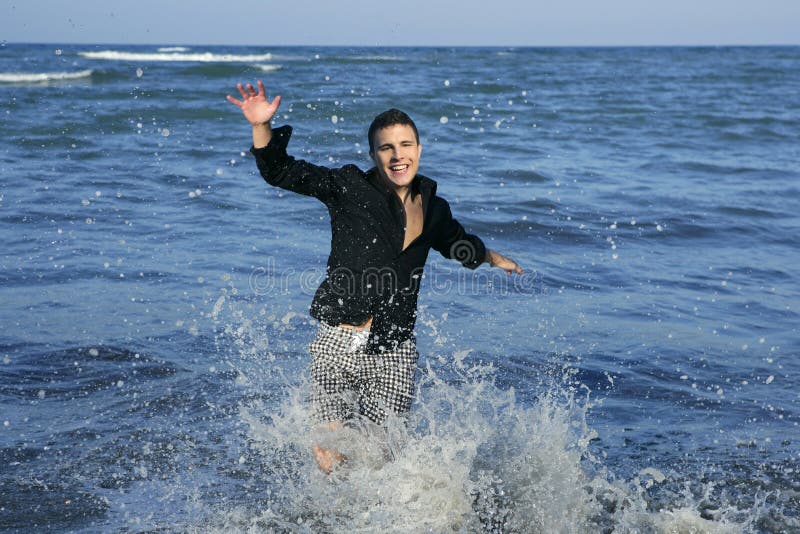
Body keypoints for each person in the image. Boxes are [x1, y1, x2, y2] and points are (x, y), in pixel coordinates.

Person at [227, 81, 522, 473]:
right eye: (387, 148)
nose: (397, 156)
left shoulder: (434, 207)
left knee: (383, 462)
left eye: (405, 146)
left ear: (419, 150)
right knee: (329, 457)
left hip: (395, 350)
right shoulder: (348, 186)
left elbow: (457, 245)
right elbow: (281, 171)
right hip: (338, 342)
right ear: (374, 154)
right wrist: (262, 127)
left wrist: (491, 257)